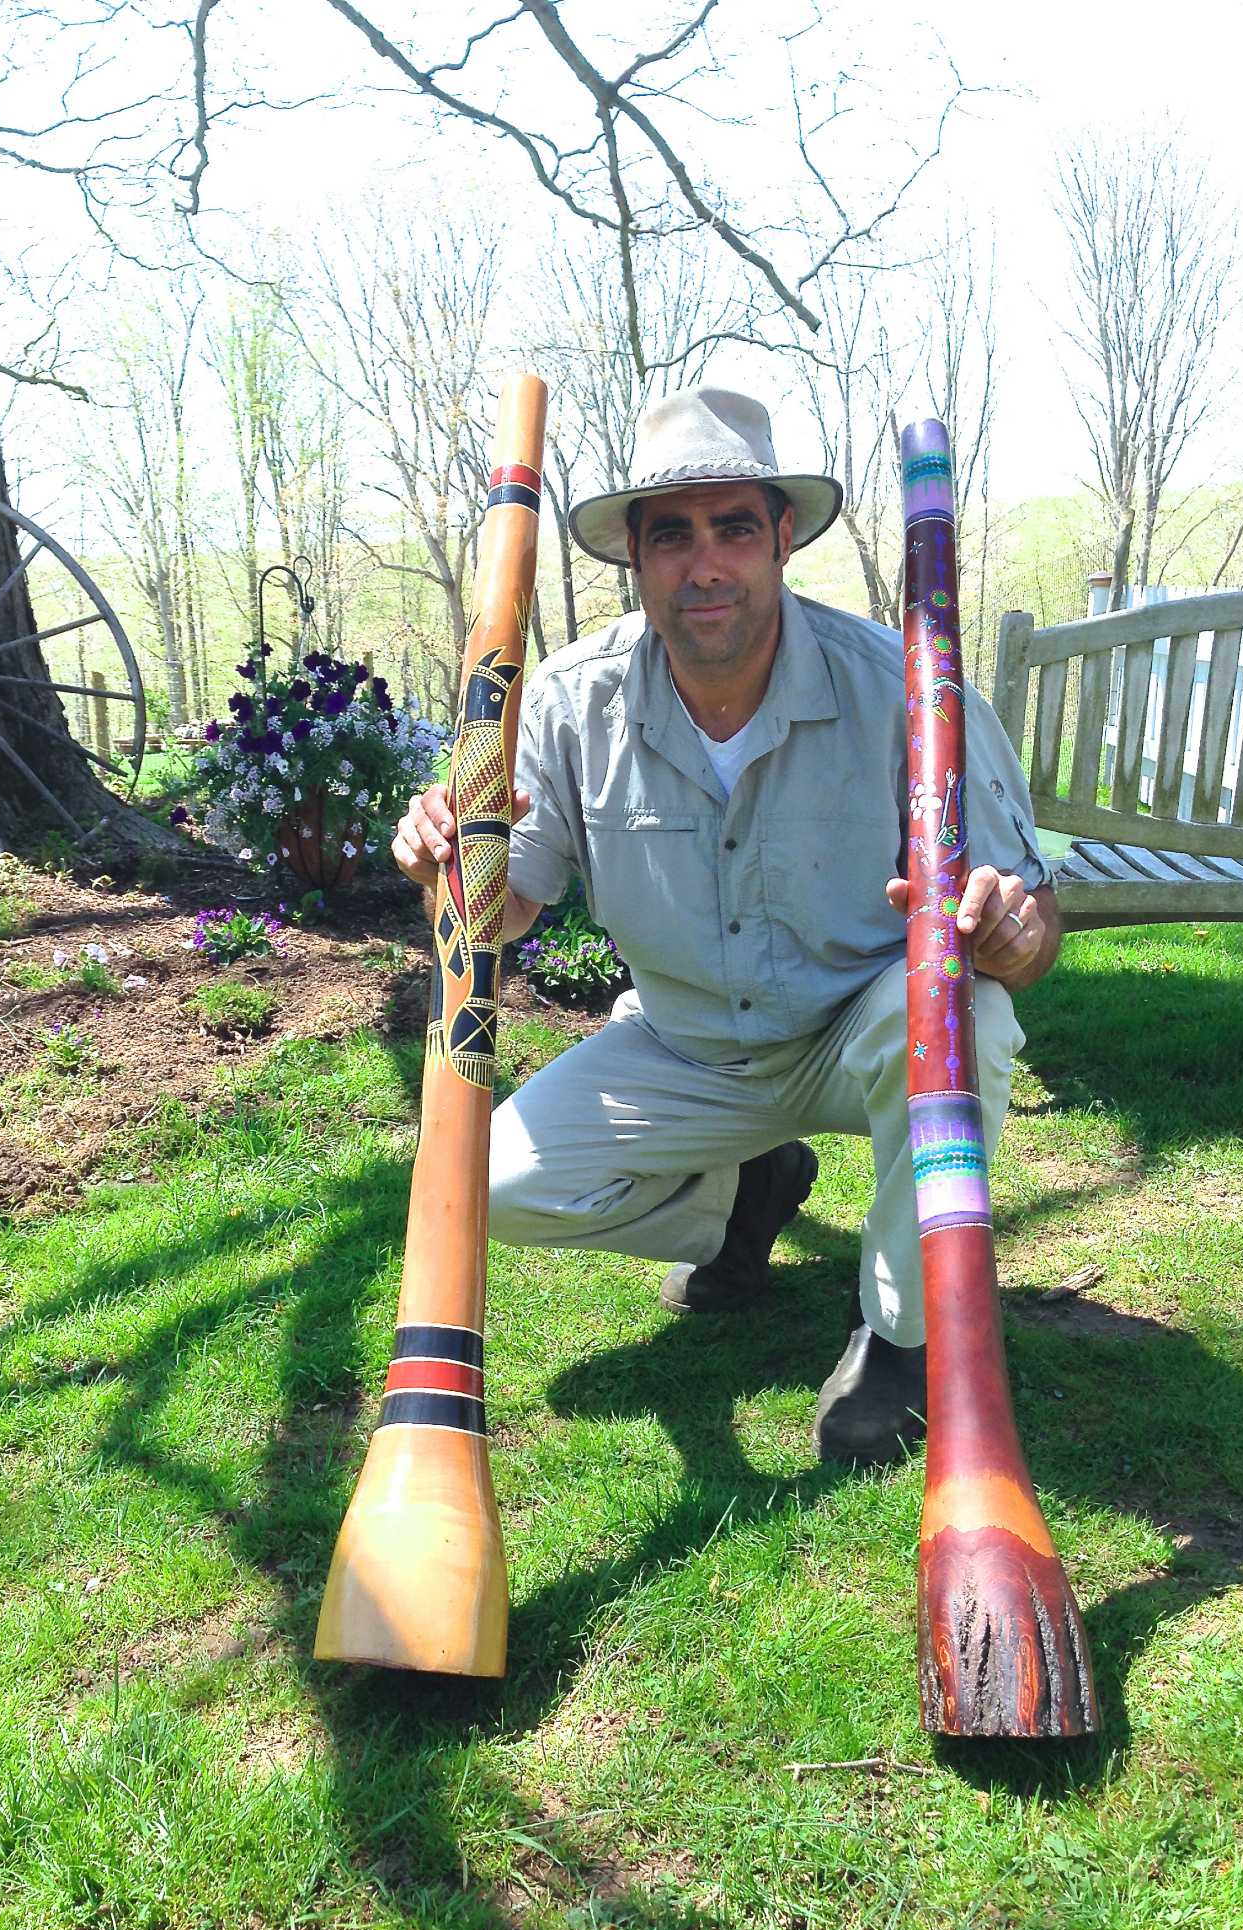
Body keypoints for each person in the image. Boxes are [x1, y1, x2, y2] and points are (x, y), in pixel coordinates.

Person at [393, 388, 1059, 1464]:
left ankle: (899, 1337)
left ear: (783, 537)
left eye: (734, 527)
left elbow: (1030, 911)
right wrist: (448, 864)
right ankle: (745, 1190)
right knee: (492, 1181)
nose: (706, 565)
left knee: (964, 1010)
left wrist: (1015, 932)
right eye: (673, 536)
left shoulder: (906, 687)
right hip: (686, 1043)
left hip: (863, 1029)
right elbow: (508, 905)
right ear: (636, 559)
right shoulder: (567, 701)